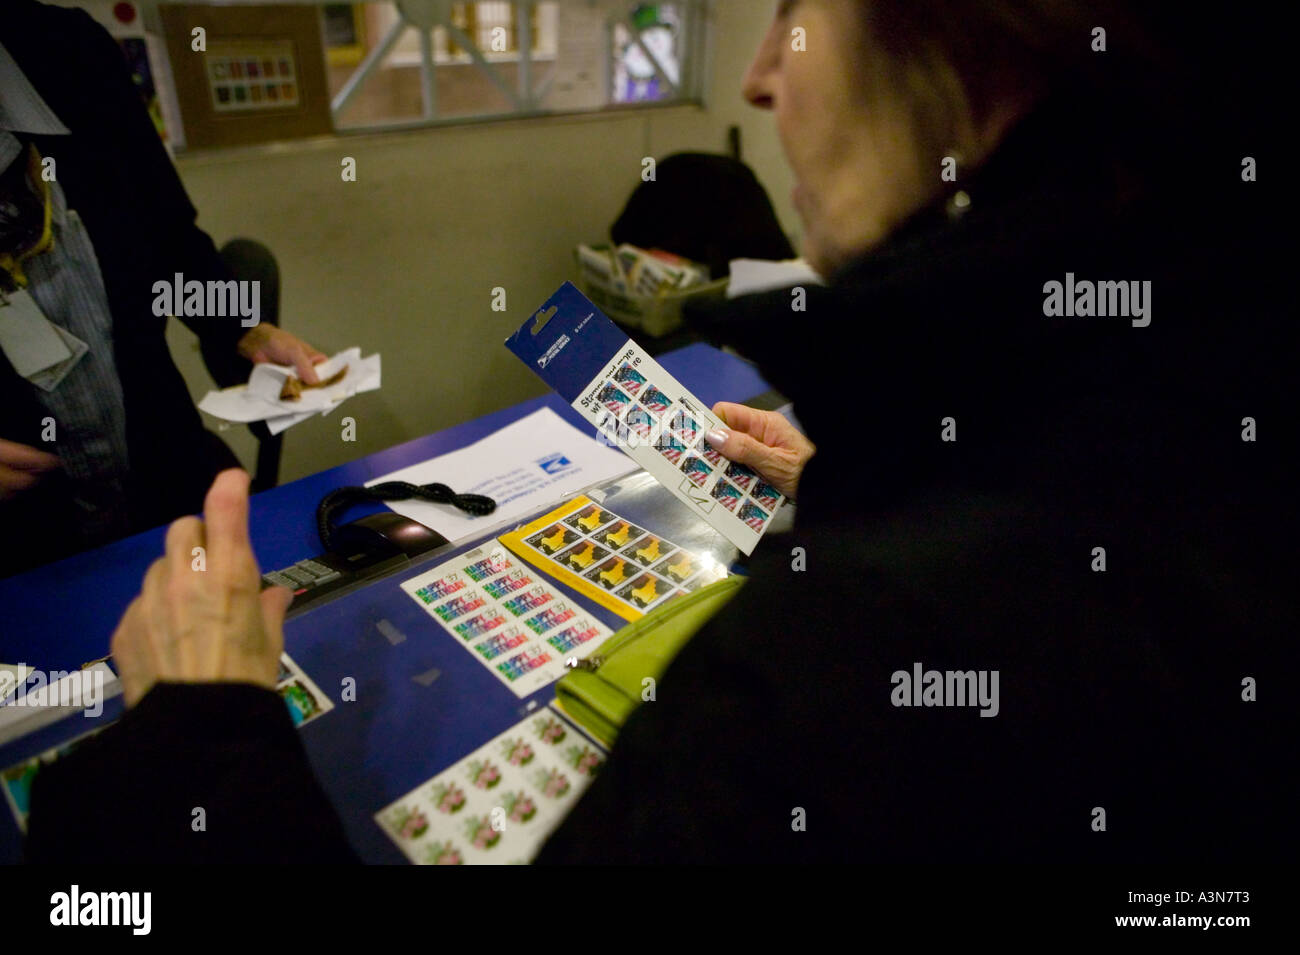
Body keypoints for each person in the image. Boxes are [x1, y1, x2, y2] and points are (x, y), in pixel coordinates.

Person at [26, 1, 1287, 863]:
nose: (756, 76)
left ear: (989, 43)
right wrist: (914, 485)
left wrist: (188, 746)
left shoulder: (843, 665)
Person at [0, 1, 327, 578]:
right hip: (25, 542)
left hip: (160, 474)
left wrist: (244, 330)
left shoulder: (69, 47)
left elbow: (167, 234)